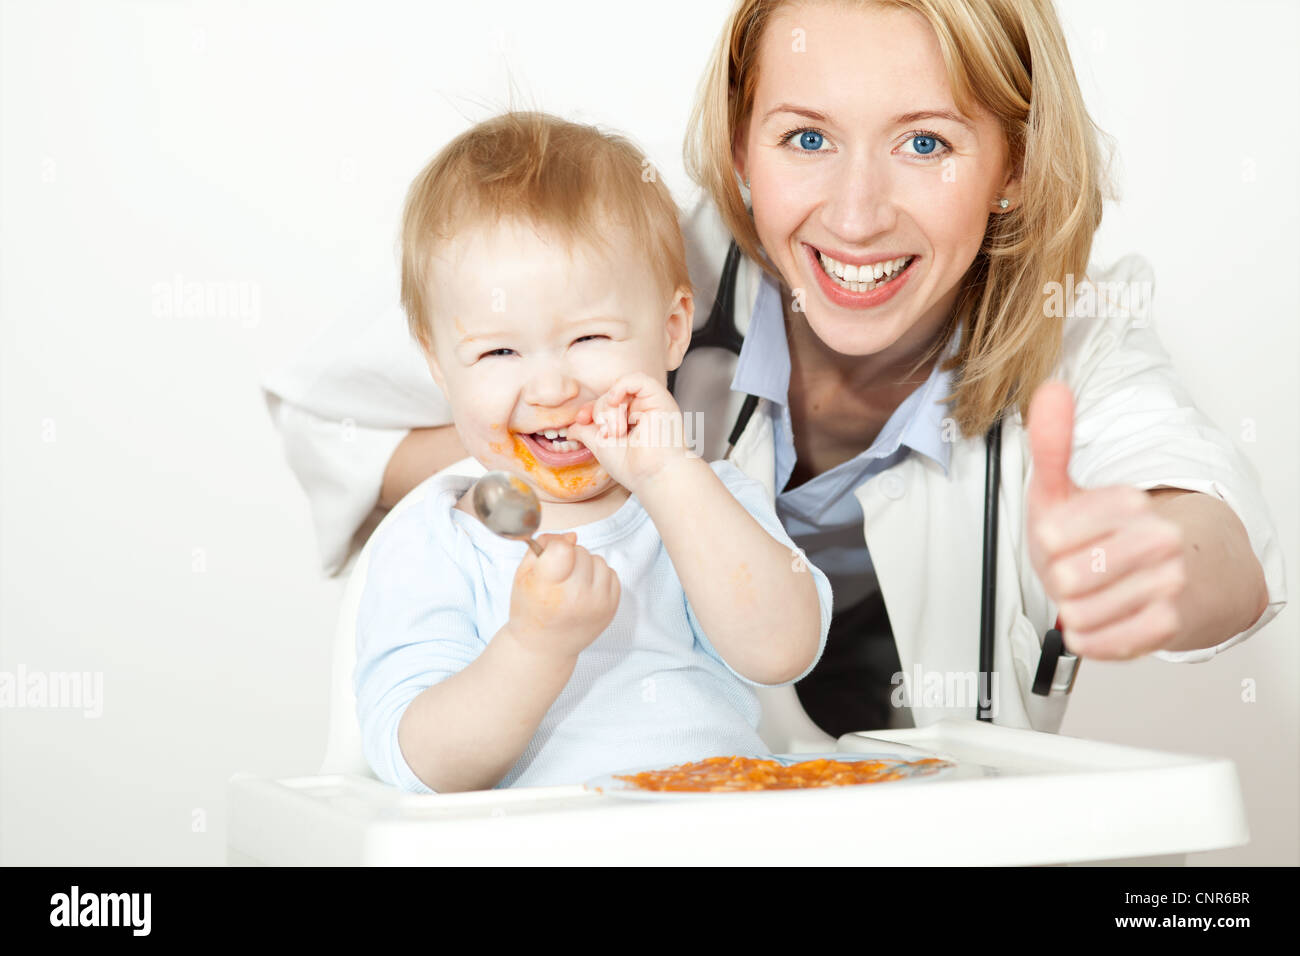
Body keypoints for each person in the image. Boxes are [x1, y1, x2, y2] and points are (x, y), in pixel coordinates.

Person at [264, 0, 1285, 739]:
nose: (853, 215)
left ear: (1012, 165)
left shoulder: (1074, 333)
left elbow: (1208, 529)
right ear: (739, 144)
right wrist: (576, 456)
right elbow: (339, 424)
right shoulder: (634, 261)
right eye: (805, 138)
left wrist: (1144, 561)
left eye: (924, 143)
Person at [355, 111, 833, 792]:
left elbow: (782, 650)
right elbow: (421, 765)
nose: (552, 387)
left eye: (589, 339)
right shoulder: (434, 541)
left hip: (714, 831)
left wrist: (671, 478)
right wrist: (533, 648)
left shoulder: (704, 498)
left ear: (671, 333)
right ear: (438, 365)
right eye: (498, 351)